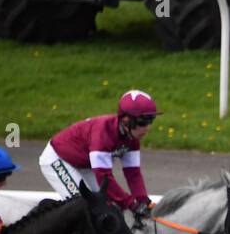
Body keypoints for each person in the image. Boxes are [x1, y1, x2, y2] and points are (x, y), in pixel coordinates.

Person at [41, 90, 159, 222]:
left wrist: (143, 201)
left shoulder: (132, 139)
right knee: (84, 206)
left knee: (109, 208)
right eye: (143, 122)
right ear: (126, 120)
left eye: (151, 121)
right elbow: (103, 176)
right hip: (57, 159)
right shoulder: (103, 134)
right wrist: (131, 204)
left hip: (85, 164)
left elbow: (133, 174)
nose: (147, 128)